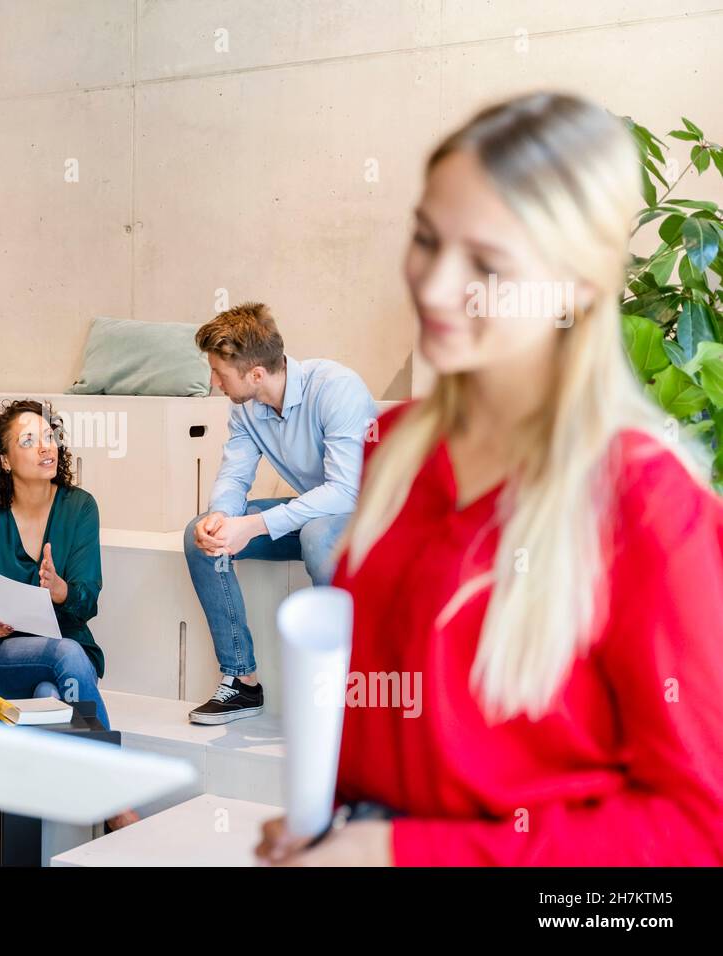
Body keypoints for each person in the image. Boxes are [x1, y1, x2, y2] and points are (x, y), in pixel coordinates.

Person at [257, 92, 723, 867]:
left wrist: (406, 854)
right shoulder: (393, 449)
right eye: (425, 239)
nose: (435, 288)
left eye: (487, 264)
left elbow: (697, 837)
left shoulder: (649, 507)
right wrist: (332, 826)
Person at [184, 304, 376, 724]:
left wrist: (251, 525)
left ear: (256, 373)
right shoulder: (245, 406)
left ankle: (351, 687)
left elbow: (346, 492)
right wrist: (221, 518)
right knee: (198, 537)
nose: (214, 383)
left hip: (370, 517)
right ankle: (242, 682)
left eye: (221, 373)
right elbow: (235, 477)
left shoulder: (337, 388)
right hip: (317, 512)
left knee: (319, 536)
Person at [0, 400, 138, 831]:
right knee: (65, 655)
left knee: (48, 692)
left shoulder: (80, 508)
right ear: (3, 460)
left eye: (50, 436)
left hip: (65, 660)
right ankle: (115, 802)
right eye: (29, 440)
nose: (46, 447)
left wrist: (61, 592)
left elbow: (87, 598)